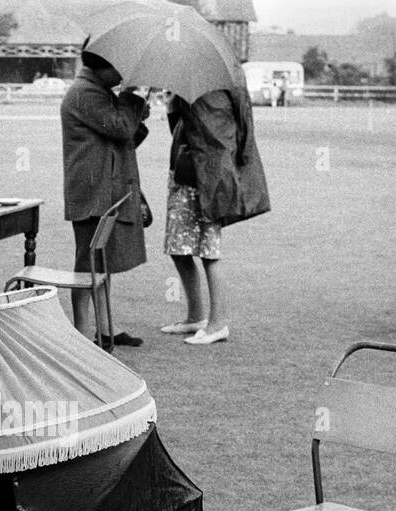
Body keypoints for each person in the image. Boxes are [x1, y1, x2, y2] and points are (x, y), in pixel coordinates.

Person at [159, 74, 270, 345]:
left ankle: (218, 323)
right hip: (186, 175)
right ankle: (196, 315)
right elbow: (185, 131)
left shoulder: (215, 91)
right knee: (178, 248)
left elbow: (214, 137)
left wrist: (182, 104)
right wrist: (174, 106)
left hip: (209, 180)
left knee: (209, 251)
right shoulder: (194, 88)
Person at [60, 45, 149, 349]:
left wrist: (135, 110)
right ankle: (81, 332)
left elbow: (124, 136)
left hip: (102, 190)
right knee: (87, 263)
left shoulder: (97, 90)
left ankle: (105, 328)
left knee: (101, 261)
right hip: (92, 192)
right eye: (119, 67)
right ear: (103, 67)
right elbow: (122, 128)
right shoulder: (85, 93)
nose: (123, 74)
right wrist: (133, 100)